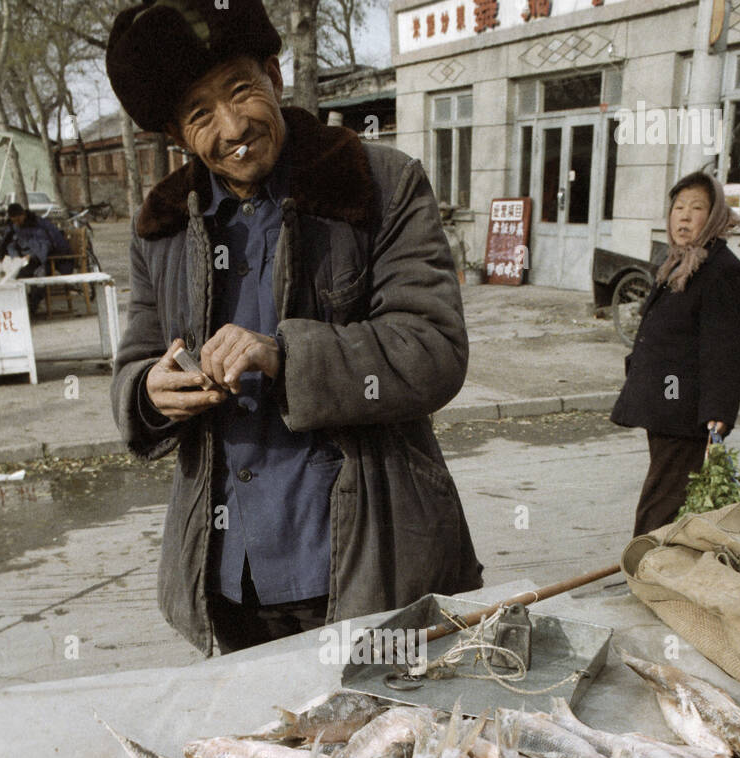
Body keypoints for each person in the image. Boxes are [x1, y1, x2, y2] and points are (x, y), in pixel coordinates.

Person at [106, 0, 481, 656]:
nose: (233, 126)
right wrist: (149, 391)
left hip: (363, 563)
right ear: (178, 135)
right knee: (265, 753)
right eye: (200, 114)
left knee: (379, 746)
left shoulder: (380, 185)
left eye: (241, 90)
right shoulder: (161, 227)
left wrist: (285, 355)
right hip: (227, 575)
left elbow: (433, 349)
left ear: (275, 76)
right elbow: (135, 358)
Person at [610, 171, 740, 536]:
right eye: (678, 207)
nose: (684, 216)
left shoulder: (723, 271)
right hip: (663, 403)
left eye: (697, 208)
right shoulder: (681, 261)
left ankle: (644, 570)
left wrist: (718, 412)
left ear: (715, 216)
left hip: (684, 410)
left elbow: (725, 348)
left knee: (661, 499)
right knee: (669, 495)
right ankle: (659, 569)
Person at [0, 203, 73, 313]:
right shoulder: (15, 227)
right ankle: (20, 306)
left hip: (47, 259)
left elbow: (46, 245)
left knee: (40, 276)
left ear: (23, 214)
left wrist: (32, 255)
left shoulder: (38, 225)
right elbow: (11, 244)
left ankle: (32, 306)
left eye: (19, 219)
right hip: (26, 261)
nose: (17, 223)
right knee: (13, 275)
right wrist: (15, 256)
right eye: (14, 221)